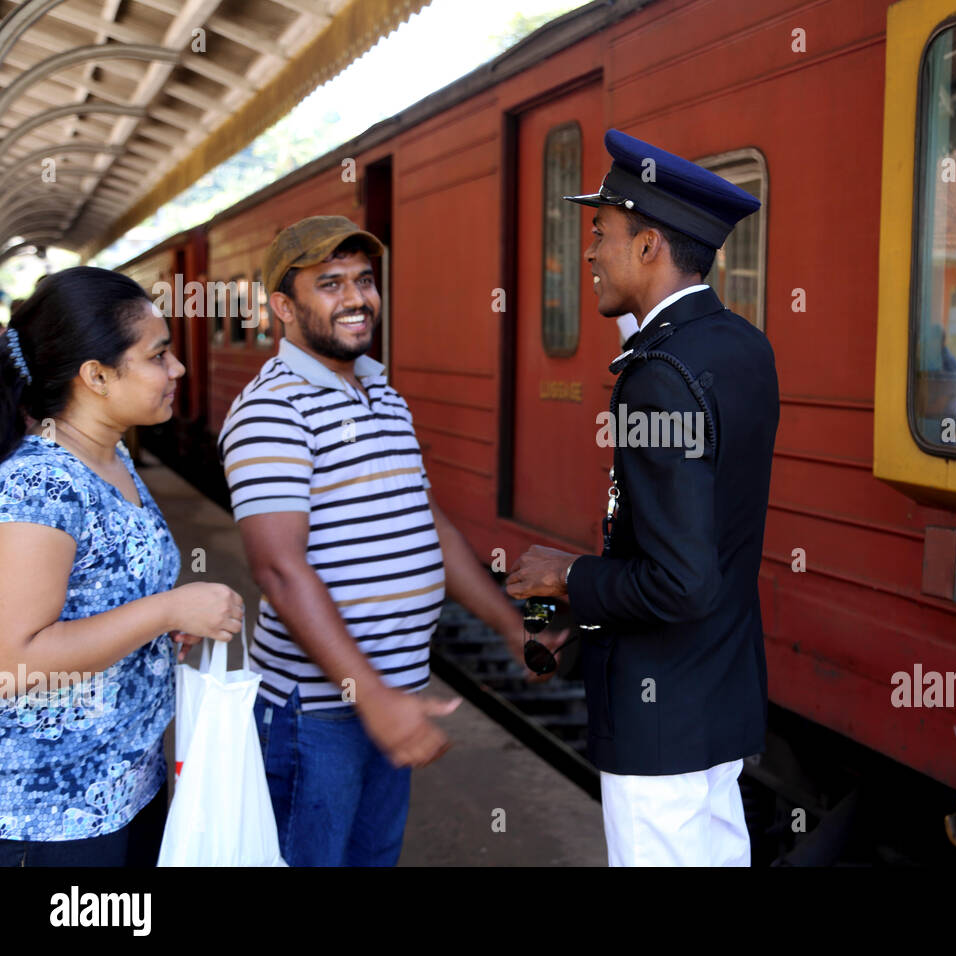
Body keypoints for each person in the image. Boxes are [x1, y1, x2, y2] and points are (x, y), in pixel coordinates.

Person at [220, 216, 558, 867]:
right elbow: (279, 571)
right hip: (317, 716)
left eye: (364, 280)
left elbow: (427, 525)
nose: (356, 297)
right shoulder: (272, 409)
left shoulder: (382, 392)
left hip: (390, 697)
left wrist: (508, 625)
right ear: (284, 308)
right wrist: (370, 699)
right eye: (330, 283)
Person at [507, 129, 779, 866]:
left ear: (650, 245)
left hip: (661, 731)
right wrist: (587, 613)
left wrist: (568, 577)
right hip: (715, 704)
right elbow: (707, 551)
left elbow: (680, 581)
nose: (589, 255)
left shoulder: (658, 374)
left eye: (602, 235)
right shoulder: (742, 347)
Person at [0, 267, 244, 866]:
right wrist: (165, 609)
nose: (177, 370)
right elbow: (15, 658)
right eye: (159, 355)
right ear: (97, 376)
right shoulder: (42, 483)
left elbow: (100, 599)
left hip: (126, 790)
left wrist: (159, 625)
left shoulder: (109, 459)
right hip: (54, 818)